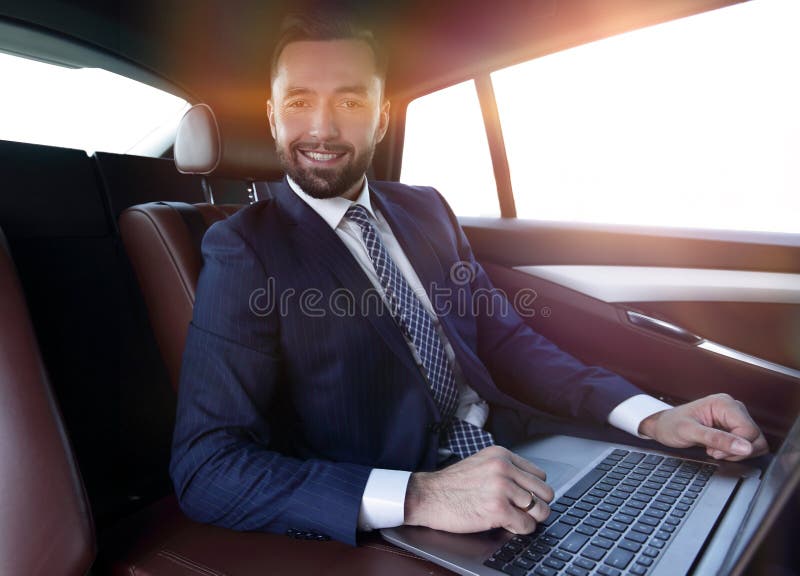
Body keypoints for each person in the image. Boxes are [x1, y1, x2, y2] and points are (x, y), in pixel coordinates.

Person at [169, 12, 768, 546]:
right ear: (274, 117)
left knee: (731, 513)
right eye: (299, 101)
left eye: (350, 102)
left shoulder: (426, 209)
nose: (322, 128)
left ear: (380, 118)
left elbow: (508, 342)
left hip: (526, 450)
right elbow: (207, 467)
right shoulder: (247, 248)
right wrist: (423, 496)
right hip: (414, 508)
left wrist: (651, 415)